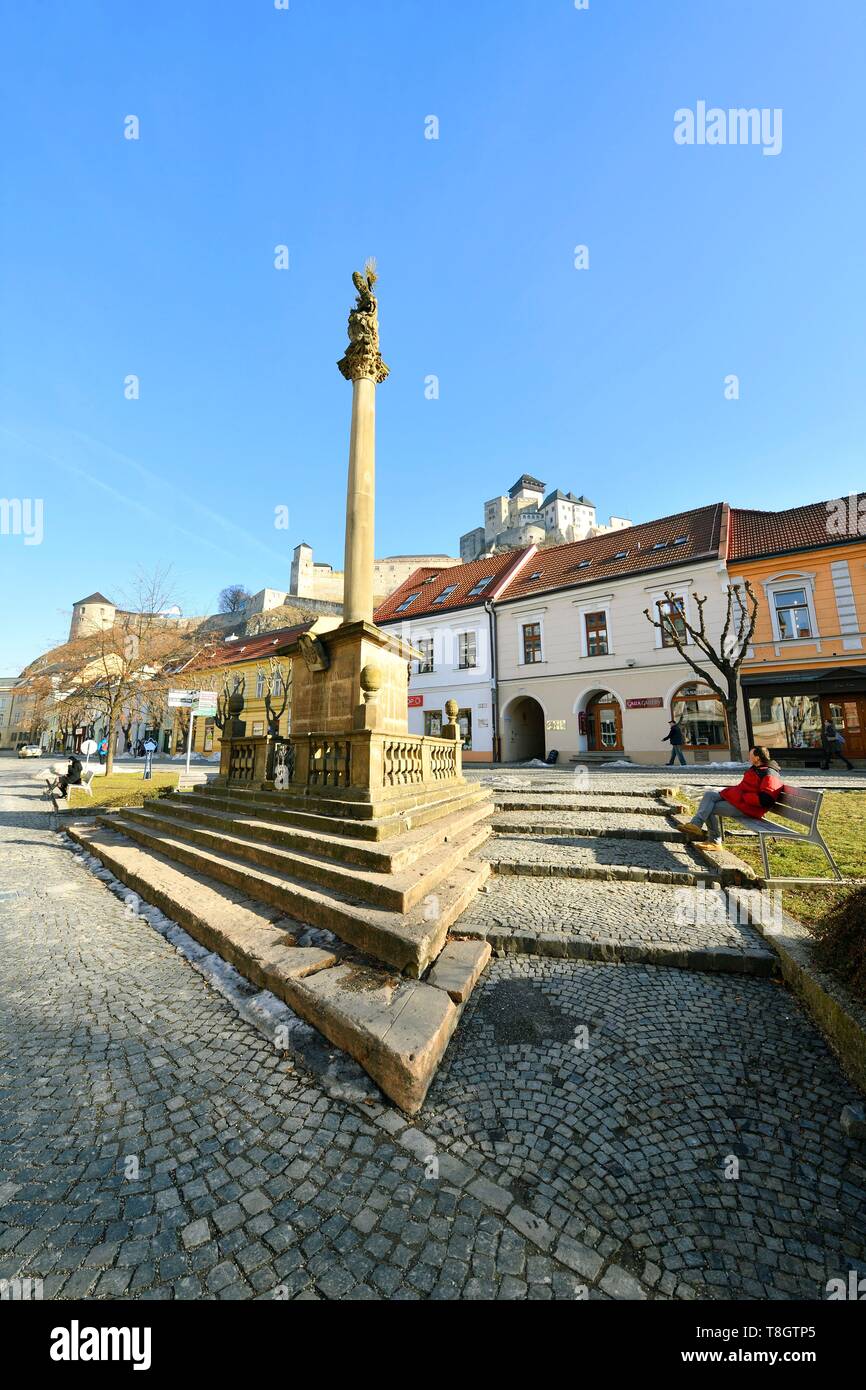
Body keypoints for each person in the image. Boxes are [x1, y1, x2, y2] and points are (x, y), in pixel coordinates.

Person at [681, 746, 783, 845]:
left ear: (757, 758)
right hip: (740, 801)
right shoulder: (756, 769)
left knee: (709, 808)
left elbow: (766, 799)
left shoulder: (769, 773)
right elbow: (744, 787)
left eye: (750, 755)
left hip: (749, 808)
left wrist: (744, 796)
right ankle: (695, 824)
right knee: (709, 795)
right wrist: (733, 793)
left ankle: (714, 841)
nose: (748, 758)